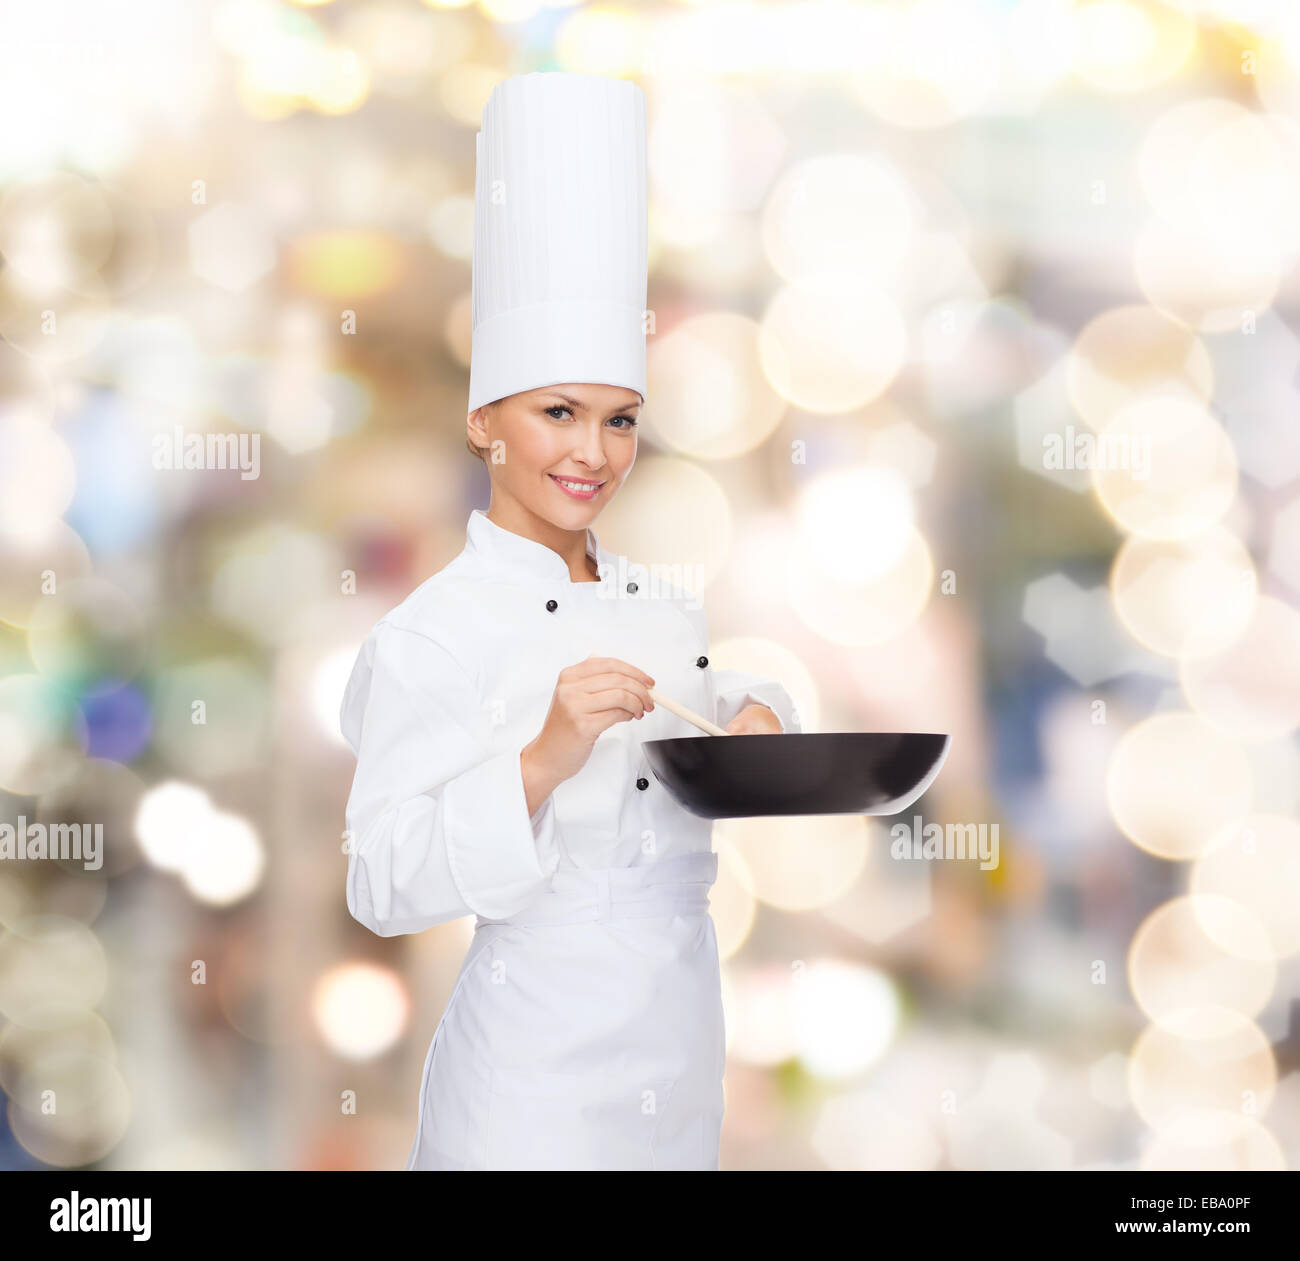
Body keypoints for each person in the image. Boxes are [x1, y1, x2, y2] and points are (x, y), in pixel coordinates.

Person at [339, 72, 800, 1171]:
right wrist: (543, 757)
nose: (591, 453)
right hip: (529, 1085)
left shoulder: (662, 601)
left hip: (680, 1059)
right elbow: (381, 881)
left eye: (619, 420)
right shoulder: (431, 633)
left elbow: (703, 728)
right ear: (483, 419)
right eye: (557, 414)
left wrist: (754, 718)